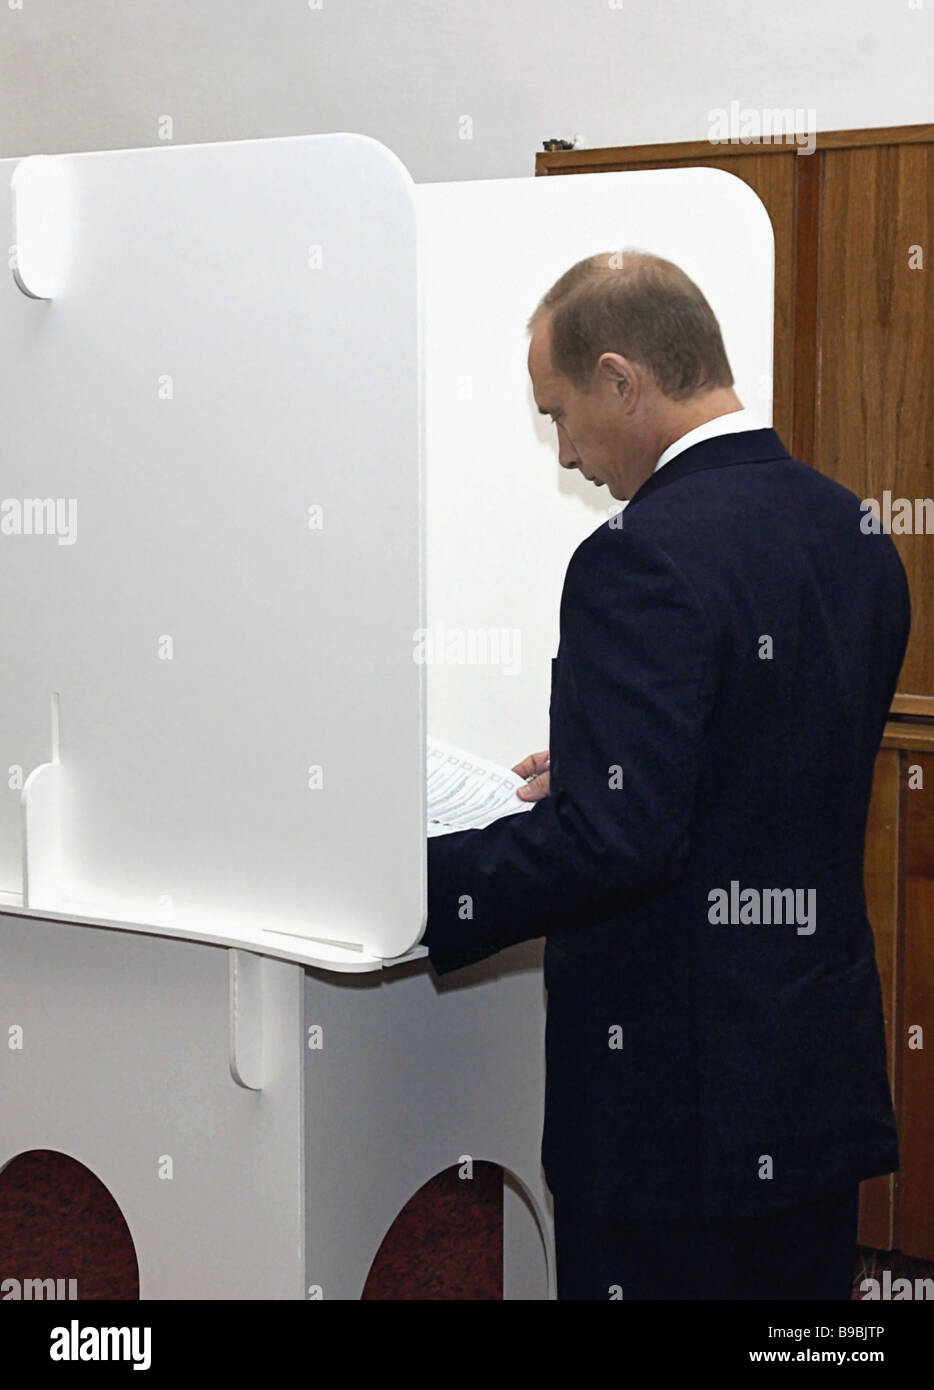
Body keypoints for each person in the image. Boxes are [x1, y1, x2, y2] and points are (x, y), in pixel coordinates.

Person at [421, 250, 909, 1300]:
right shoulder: (856, 532)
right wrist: (616, 769)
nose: (564, 451)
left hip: (674, 1110)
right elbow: (774, 763)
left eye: (558, 413)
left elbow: (617, 846)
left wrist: (411, 883)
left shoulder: (637, 554)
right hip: (807, 1078)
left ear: (620, 379)